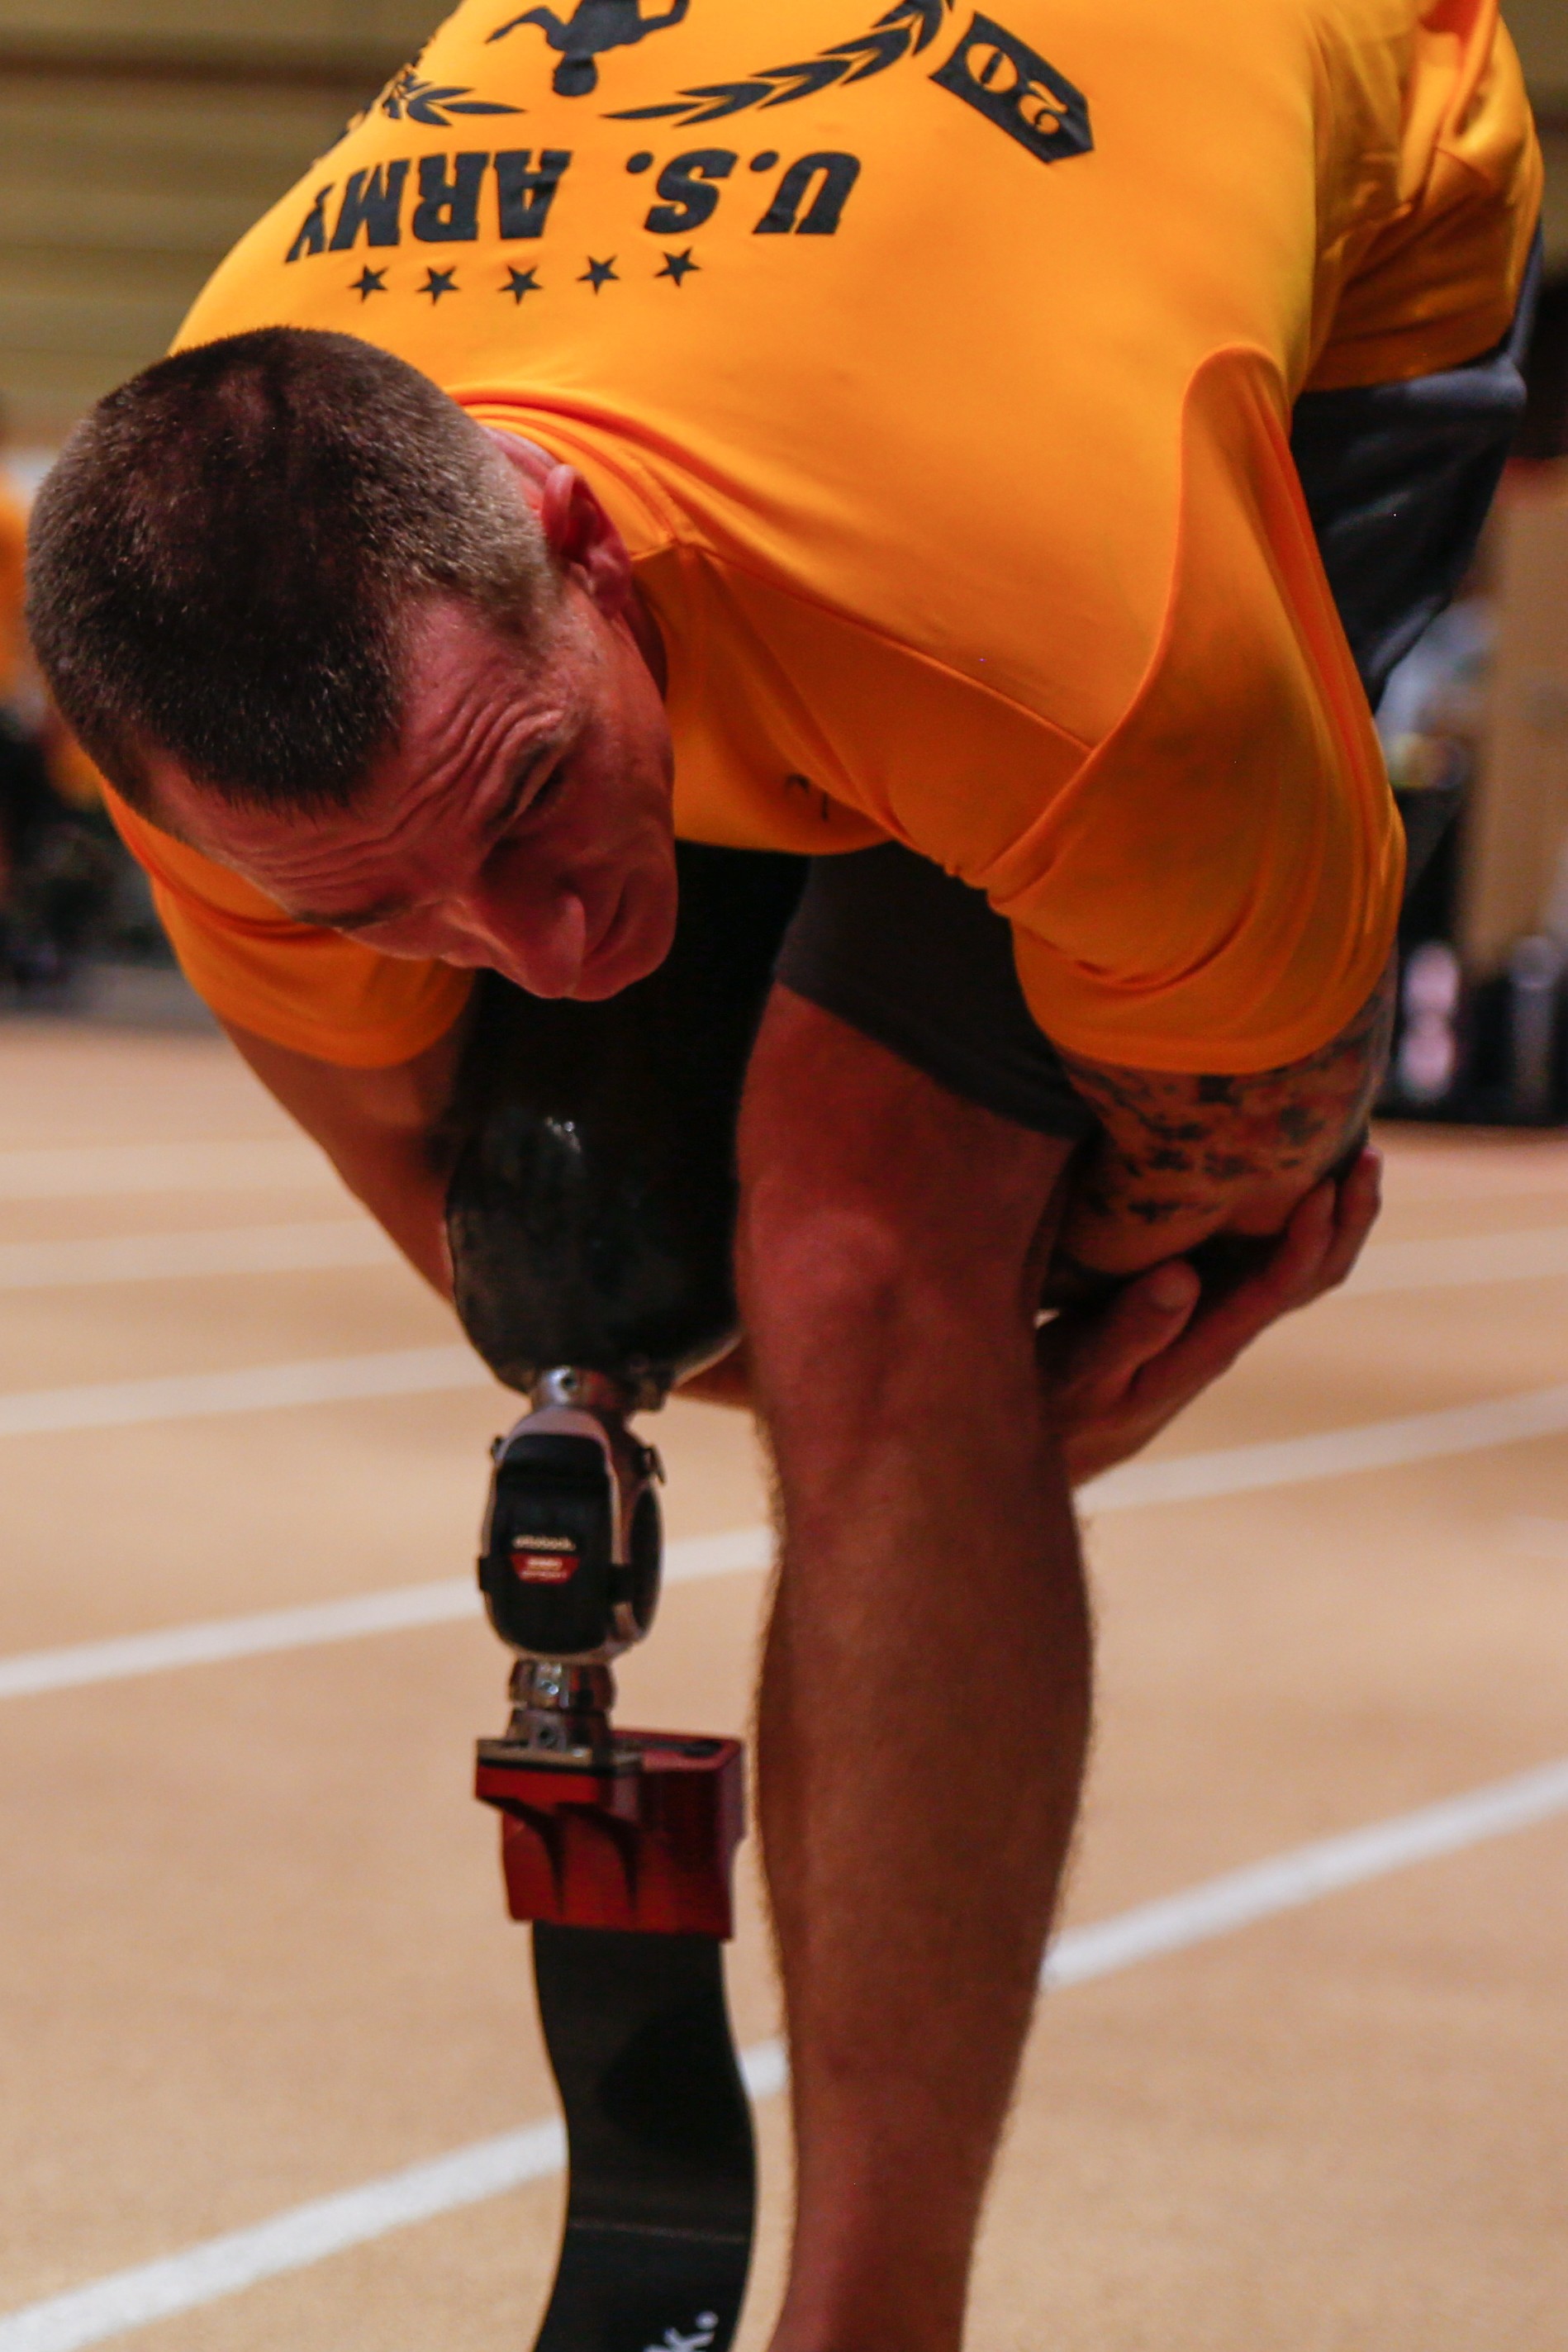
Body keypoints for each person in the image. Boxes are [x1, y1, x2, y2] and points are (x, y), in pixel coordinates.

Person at [25, 1, 1538, 2342]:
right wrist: (900, 1444)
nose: (533, 941)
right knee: (592, 1237)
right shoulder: (226, 731)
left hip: (1298, 214)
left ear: (570, 539)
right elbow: (477, 1250)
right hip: (777, 323)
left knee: (859, 1243)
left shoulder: (1084, 660)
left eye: (526, 800)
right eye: (377, 902)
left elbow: (1231, 1154)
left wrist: (974, 1378)